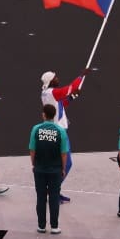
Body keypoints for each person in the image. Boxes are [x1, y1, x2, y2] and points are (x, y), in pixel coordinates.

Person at [40, 68, 86, 202]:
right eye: (55, 78)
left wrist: (72, 97)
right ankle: (52, 191)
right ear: (50, 81)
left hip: (56, 131)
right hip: (59, 133)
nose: (57, 79)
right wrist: (81, 76)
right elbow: (70, 88)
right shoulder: (52, 92)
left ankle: (54, 190)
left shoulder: (47, 93)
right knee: (66, 164)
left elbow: (61, 103)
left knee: (59, 164)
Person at [29, 103, 69, 234]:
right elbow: (63, 153)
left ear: (44, 115)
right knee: (53, 197)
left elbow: (32, 150)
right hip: (55, 170)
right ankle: (54, 226)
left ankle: (41, 226)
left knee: (40, 197)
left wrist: (34, 164)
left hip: (40, 169)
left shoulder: (36, 129)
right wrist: (63, 168)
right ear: (54, 116)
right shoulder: (61, 131)